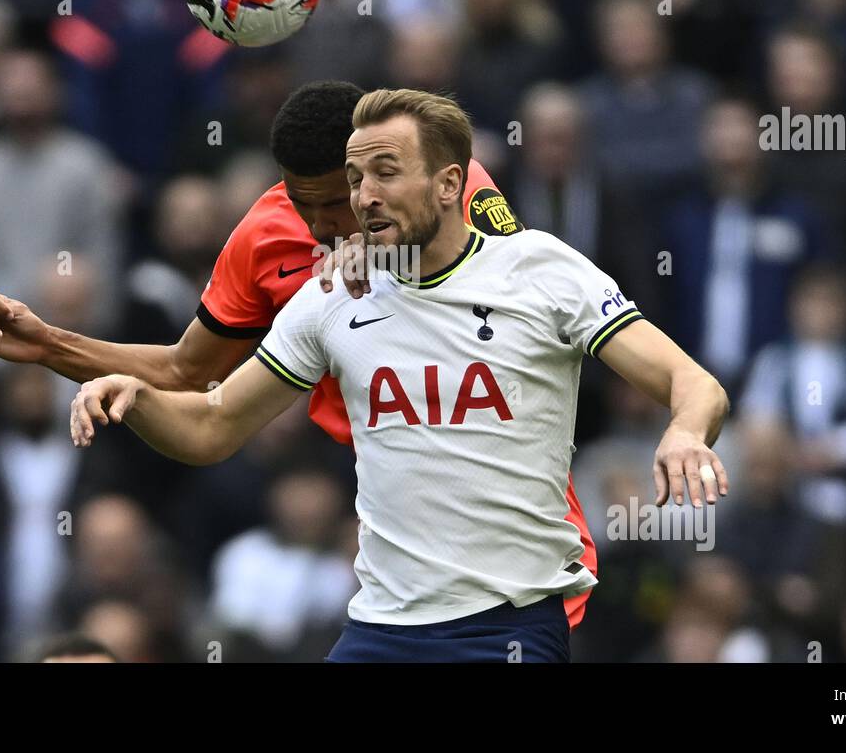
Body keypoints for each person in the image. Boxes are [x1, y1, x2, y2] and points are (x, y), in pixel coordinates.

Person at [69, 89, 730, 662]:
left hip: (507, 624)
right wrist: (139, 397)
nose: (365, 195)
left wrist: (685, 432)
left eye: (387, 172)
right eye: (356, 178)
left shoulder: (538, 271)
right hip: (382, 627)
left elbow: (693, 382)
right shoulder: (334, 298)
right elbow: (213, 425)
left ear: (449, 183)